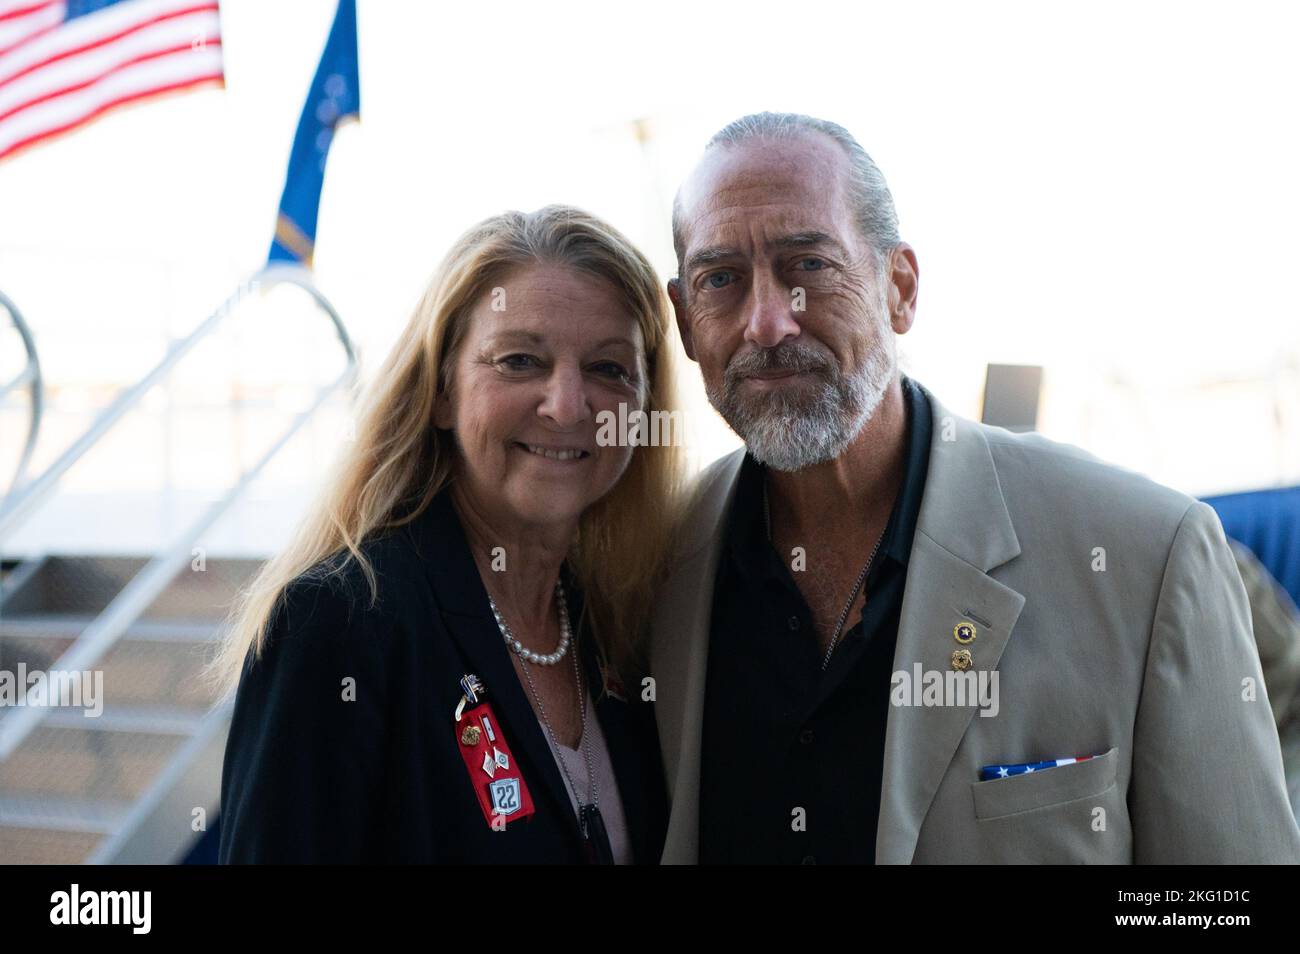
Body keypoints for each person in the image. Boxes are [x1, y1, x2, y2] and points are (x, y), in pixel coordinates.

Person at [649, 111, 1300, 863]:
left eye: (808, 265)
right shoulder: (657, 577)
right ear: (687, 322)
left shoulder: (1142, 553)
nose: (766, 321)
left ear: (900, 287)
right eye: (721, 279)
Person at [214, 205, 681, 863]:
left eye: (609, 369)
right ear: (440, 392)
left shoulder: (625, 632)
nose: (569, 405)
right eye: (520, 360)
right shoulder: (342, 624)